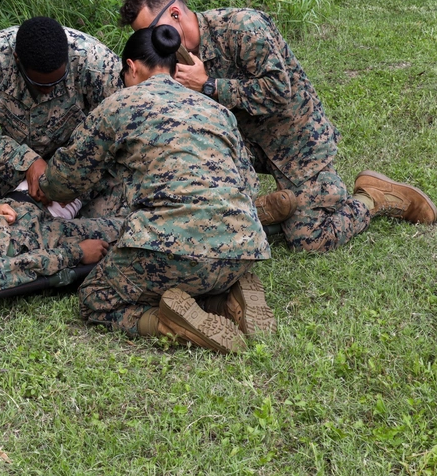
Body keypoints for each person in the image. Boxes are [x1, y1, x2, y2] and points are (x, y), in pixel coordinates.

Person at [119, 0, 437, 253]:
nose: (153, 45)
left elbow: (277, 92)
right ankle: (245, 212)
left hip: (298, 142)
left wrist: (209, 85)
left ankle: (373, 197)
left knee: (309, 240)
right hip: (250, 144)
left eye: (153, 33)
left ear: (174, 14)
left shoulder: (242, 27)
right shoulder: (176, 59)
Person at [38, 23, 274, 354]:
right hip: (242, 250)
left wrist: (44, 184)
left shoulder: (119, 104)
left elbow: (64, 183)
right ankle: (224, 298)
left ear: (131, 67)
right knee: (200, 272)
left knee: (96, 298)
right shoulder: (218, 112)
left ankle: (169, 325)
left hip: (170, 252)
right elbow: (248, 187)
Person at [0, 16, 124, 218]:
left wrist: (73, 176)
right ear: (18, 60)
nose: (48, 91)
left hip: (80, 162)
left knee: (98, 231)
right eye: (40, 85)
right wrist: (26, 162)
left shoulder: (98, 65)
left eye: (57, 82)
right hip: (15, 158)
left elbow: (122, 130)